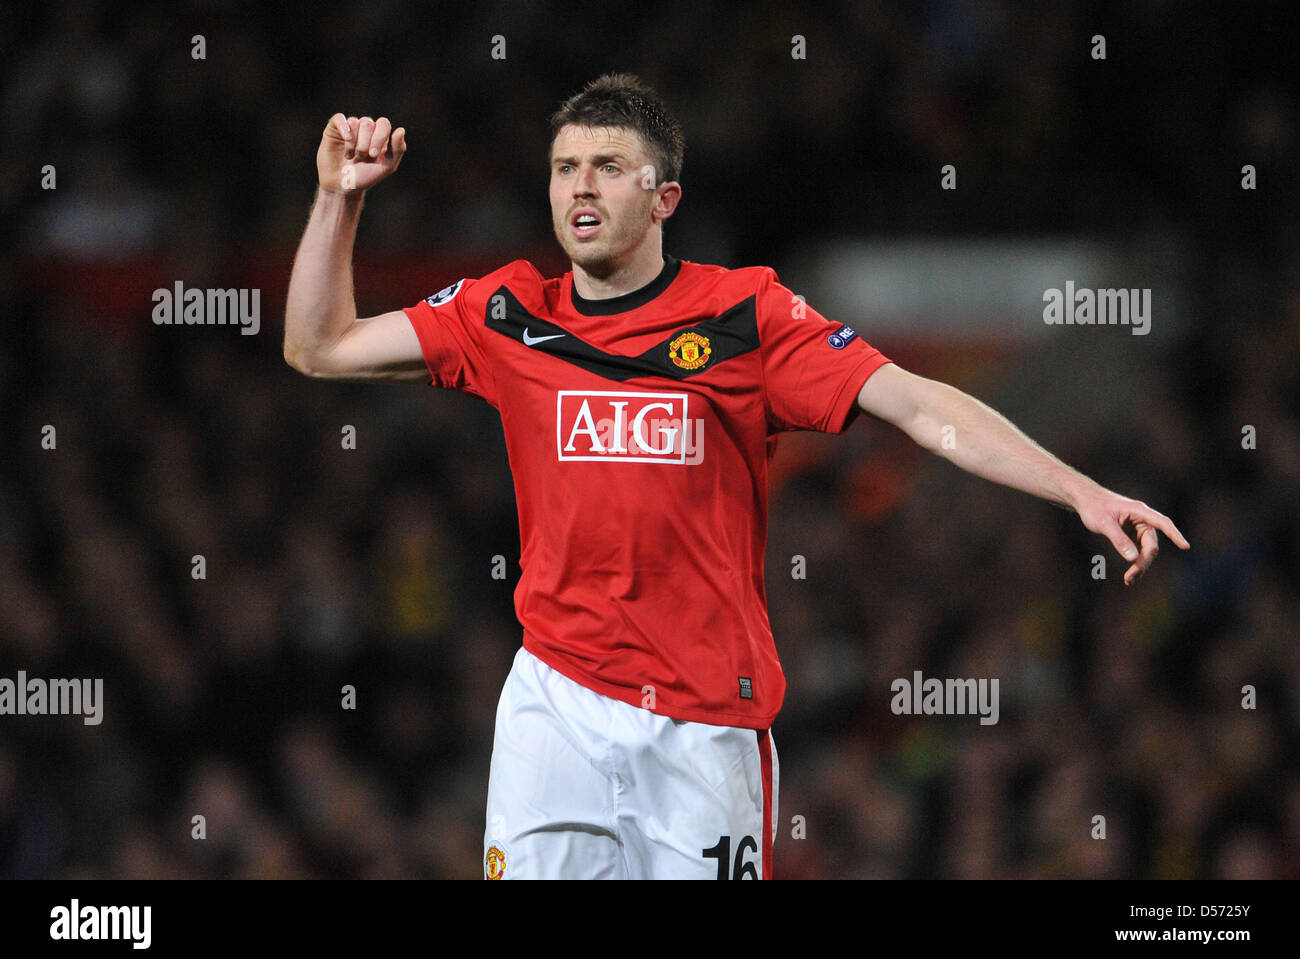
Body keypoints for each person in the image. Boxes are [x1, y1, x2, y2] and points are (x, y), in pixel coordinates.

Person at [283, 74, 1189, 879]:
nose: (580, 185)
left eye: (607, 164)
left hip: (704, 719)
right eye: (564, 167)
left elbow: (914, 403)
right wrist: (338, 202)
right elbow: (318, 346)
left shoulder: (742, 316)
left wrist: (1079, 487)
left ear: (663, 194)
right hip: (554, 699)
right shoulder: (507, 312)